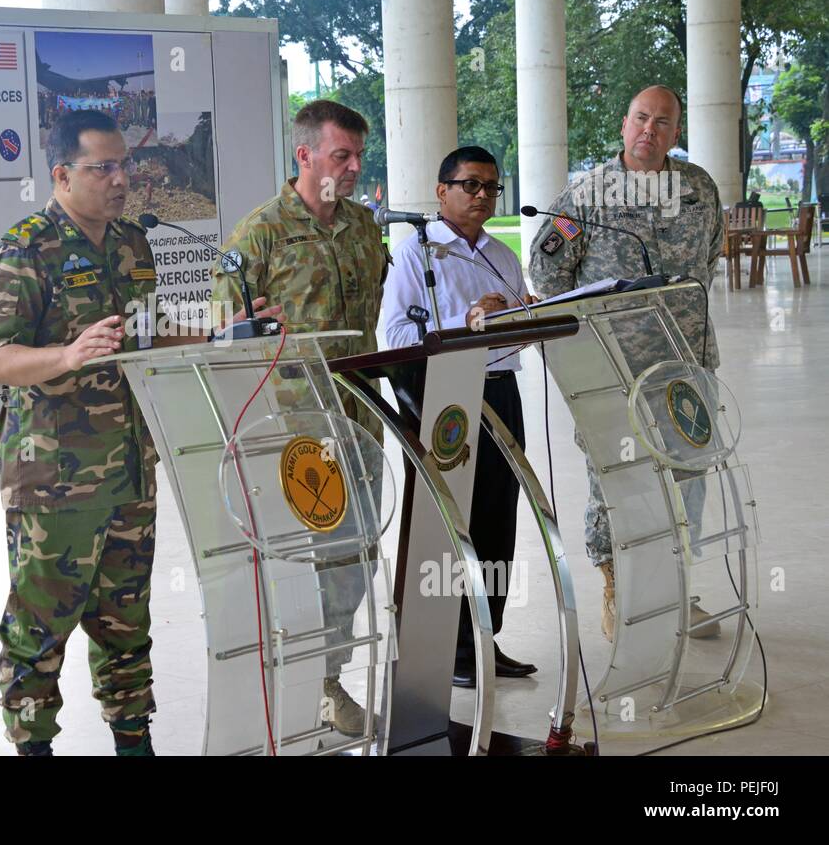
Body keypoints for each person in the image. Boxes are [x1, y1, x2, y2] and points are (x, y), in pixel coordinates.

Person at [0, 109, 273, 756]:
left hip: (130, 469)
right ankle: (33, 745)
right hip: (54, 482)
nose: (120, 180)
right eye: (102, 168)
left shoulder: (132, 244)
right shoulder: (26, 248)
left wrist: (224, 331)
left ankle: (133, 739)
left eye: (125, 165)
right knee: (40, 626)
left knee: (126, 621)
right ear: (62, 174)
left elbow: (147, 331)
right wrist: (65, 355)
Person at [210, 99, 390, 737]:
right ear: (305, 154)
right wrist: (238, 330)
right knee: (299, 561)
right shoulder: (259, 234)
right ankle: (290, 683)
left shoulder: (367, 228)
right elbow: (223, 334)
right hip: (292, 435)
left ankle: (325, 677)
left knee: (355, 554)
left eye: (359, 155)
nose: (353, 165)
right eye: (342, 154)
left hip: (359, 422)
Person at [527, 84, 724, 641]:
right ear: (623, 123)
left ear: (676, 133)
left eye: (663, 122)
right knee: (616, 478)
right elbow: (547, 275)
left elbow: (711, 255)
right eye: (641, 118)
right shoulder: (588, 193)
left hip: (688, 362)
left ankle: (674, 590)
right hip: (612, 370)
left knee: (688, 476)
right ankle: (618, 587)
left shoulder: (699, 188)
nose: (650, 131)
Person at [379, 146, 539, 687]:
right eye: (469, 185)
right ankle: (447, 647)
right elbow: (395, 336)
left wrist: (531, 316)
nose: (481, 196)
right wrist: (464, 320)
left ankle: (484, 640)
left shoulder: (503, 256)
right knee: (453, 522)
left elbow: (514, 322)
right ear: (441, 190)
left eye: (491, 187)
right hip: (444, 399)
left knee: (499, 515)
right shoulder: (415, 254)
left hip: (502, 391)